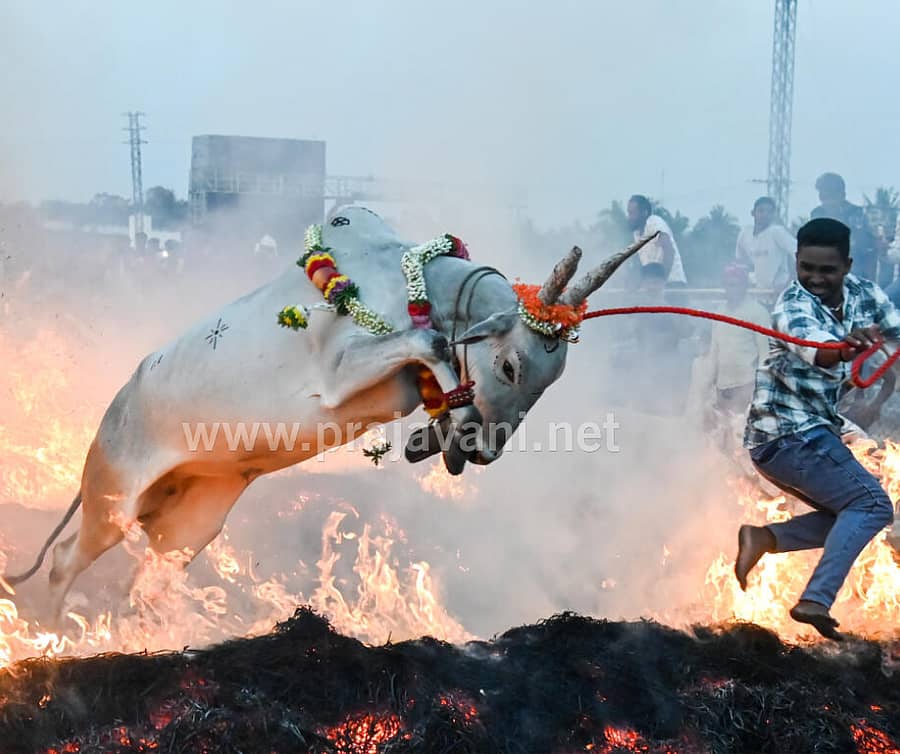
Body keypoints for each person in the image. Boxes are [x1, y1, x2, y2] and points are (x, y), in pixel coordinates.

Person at [737, 217, 898, 640]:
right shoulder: (792, 307)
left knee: (851, 513)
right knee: (874, 506)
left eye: (826, 270)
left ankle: (765, 538)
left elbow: (895, 330)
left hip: (813, 432)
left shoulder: (867, 294)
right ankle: (816, 600)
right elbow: (822, 353)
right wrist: (849, 343)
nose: (815, 278)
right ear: (795, 262)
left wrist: (880, 337)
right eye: (806, 267)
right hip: (785, 436)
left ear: (847, 265)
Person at [811, 173, 881, 283]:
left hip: (852, 273)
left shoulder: (856, 214)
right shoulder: (817, 214)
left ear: (841, 194)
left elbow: (867, 251)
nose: (825, 200)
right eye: (822, 195)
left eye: (829, 195)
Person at [735, 197, 794, 302]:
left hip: (778, 294)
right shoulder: (744, 234)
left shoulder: (777, 232)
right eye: (761, 211)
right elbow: (740, 262)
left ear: (773, 214)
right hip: (755, 294)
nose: (765, 215)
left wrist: (787, 284)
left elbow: (799, 254)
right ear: (753, 213)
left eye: (769, 212)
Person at [626, 195, 687, 286]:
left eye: (632, 213)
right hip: (654, 288)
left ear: (644, 213)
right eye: (629, 213)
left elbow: (669, 251)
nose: (629, 217)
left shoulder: (654, 223)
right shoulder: (637, 234)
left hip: (673, 283)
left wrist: (661, 282)